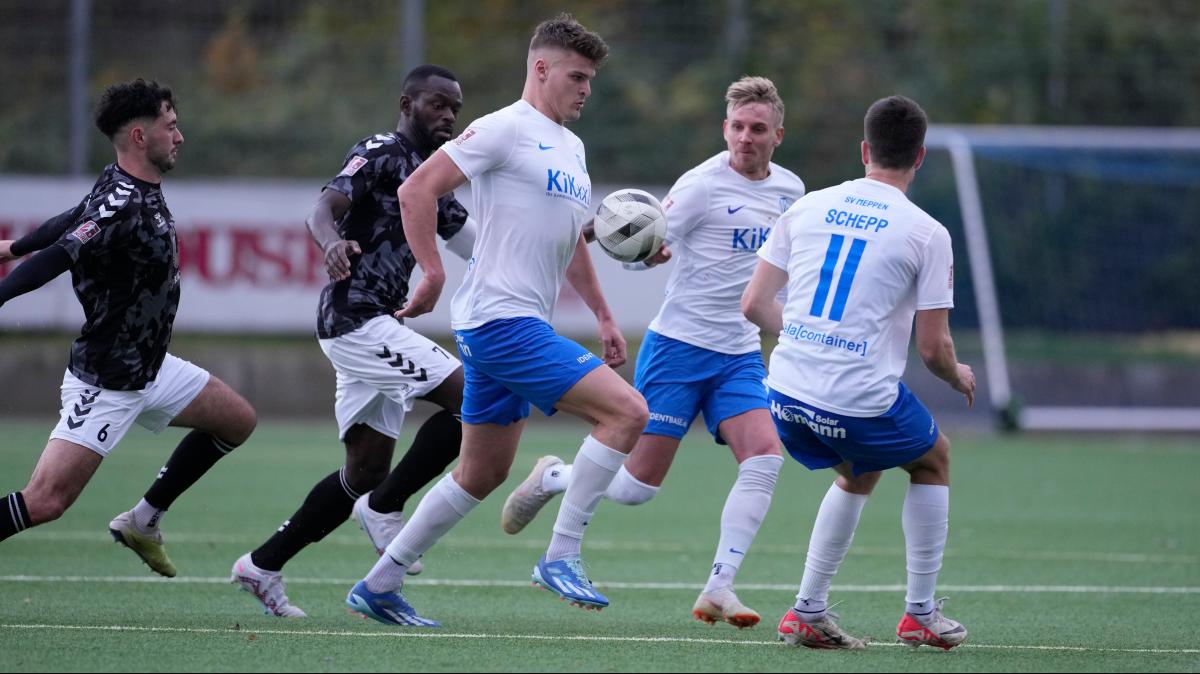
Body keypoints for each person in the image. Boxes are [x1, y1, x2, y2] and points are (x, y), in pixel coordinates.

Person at [344, 13, 649, 628]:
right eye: (577, 76)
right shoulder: (504, 129)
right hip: (501, 322)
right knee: (628, 412)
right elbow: (417, 191)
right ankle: (561, 554)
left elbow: (570, 237)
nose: (586, 89)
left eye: (591, 79)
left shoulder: (572, 144)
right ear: (540, 68)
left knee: (482, 471)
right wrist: (431, 270)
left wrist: (604, 313)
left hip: (512, 322)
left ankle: (380, 584)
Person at [499, 76, 806, 629]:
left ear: (777, 135)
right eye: (736, 127)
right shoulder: (700, 186)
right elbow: (638, 237)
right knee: (636, 489)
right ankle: (556, 477)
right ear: (724, 128)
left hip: (738, 354)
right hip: (678, 350)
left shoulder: (791, 192)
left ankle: (720, 586)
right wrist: (643, 255)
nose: (745, 138)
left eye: (757, 129)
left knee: (764, 456)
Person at [229, 66, 478, 617]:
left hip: (382, 325)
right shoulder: (381, 151)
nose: (449, 116)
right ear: (406, 102)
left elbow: (479, 246)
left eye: (455, 109)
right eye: (438, 103)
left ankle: (262, 565)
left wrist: (562, 238)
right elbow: (324, 207)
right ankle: (387, 507)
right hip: (354, 320)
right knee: (476, 398)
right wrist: (329, 244)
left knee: (362, 470)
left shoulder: (432, 176)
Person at [741, 95, 976, 650]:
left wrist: (806, 336)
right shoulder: (927, 233)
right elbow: (933, 348)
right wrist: (958, 375)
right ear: (919, 157)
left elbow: (753, 305)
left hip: (784, 392)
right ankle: (919, 612)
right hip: (853, 399)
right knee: (933, 457)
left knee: (859, 469)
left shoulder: (807, 206)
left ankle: (807, 611)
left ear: (864, 150)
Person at [0, 79, 257, 579]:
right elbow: (61, 254)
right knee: (46, 501)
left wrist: (11, 248)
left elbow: (70, 218)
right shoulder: (122, 203)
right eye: (171, 125)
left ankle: (143, 521)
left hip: (151, 367)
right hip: (107, 380)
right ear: (141, 136)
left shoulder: (121, 185)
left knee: (237, 420)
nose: (180, 136)